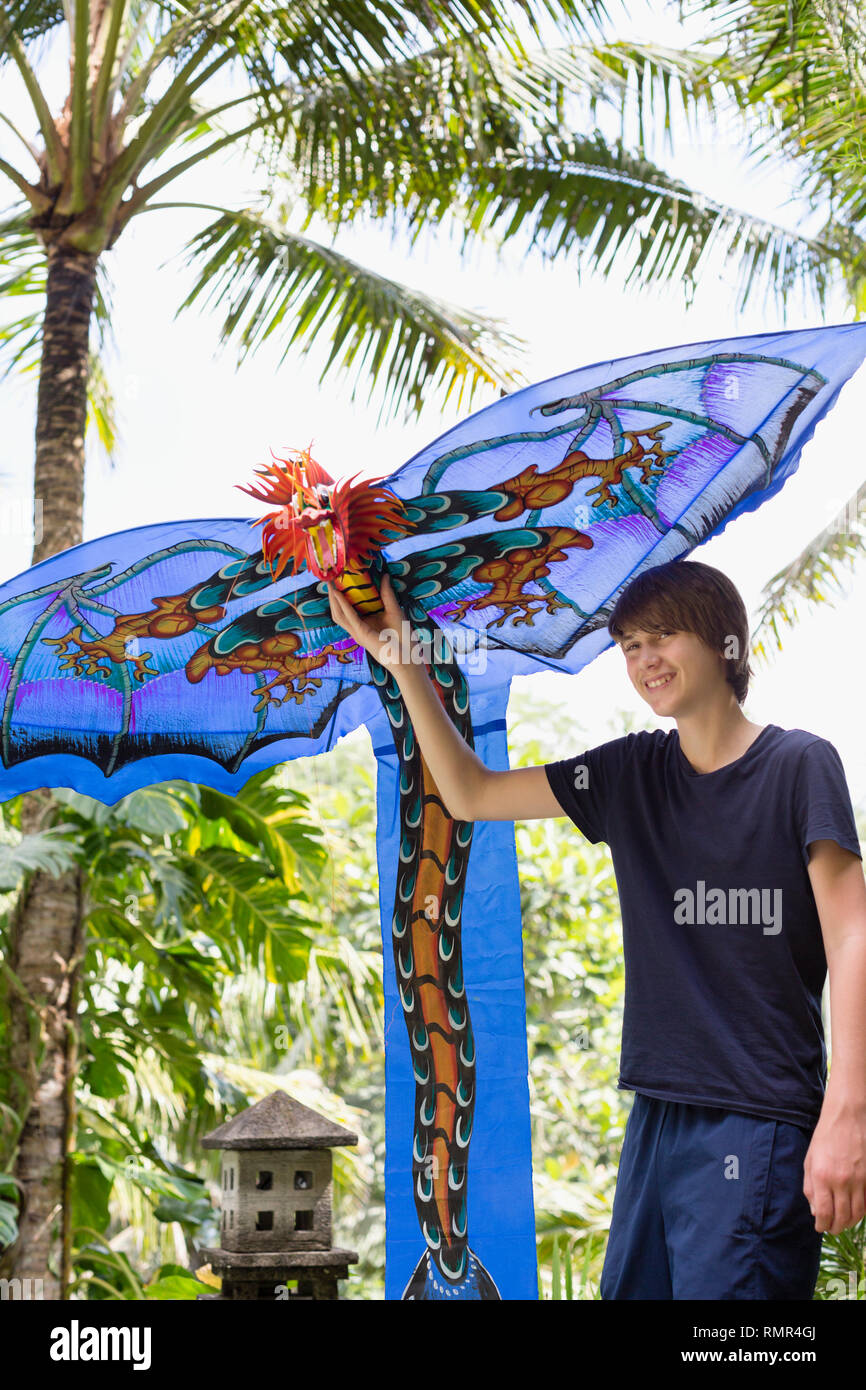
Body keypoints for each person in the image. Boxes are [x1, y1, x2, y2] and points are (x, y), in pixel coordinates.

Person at [326, 558, 866, 1301]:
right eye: (629, 644)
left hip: (760, 1122)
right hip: (656, 1119)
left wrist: (848, 1111)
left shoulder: (801, 765)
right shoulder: (627, 774)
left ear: (722, 643)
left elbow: (853, 937)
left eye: (663, 637)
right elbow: (471, 792)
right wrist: (401, 661)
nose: (644, 660)